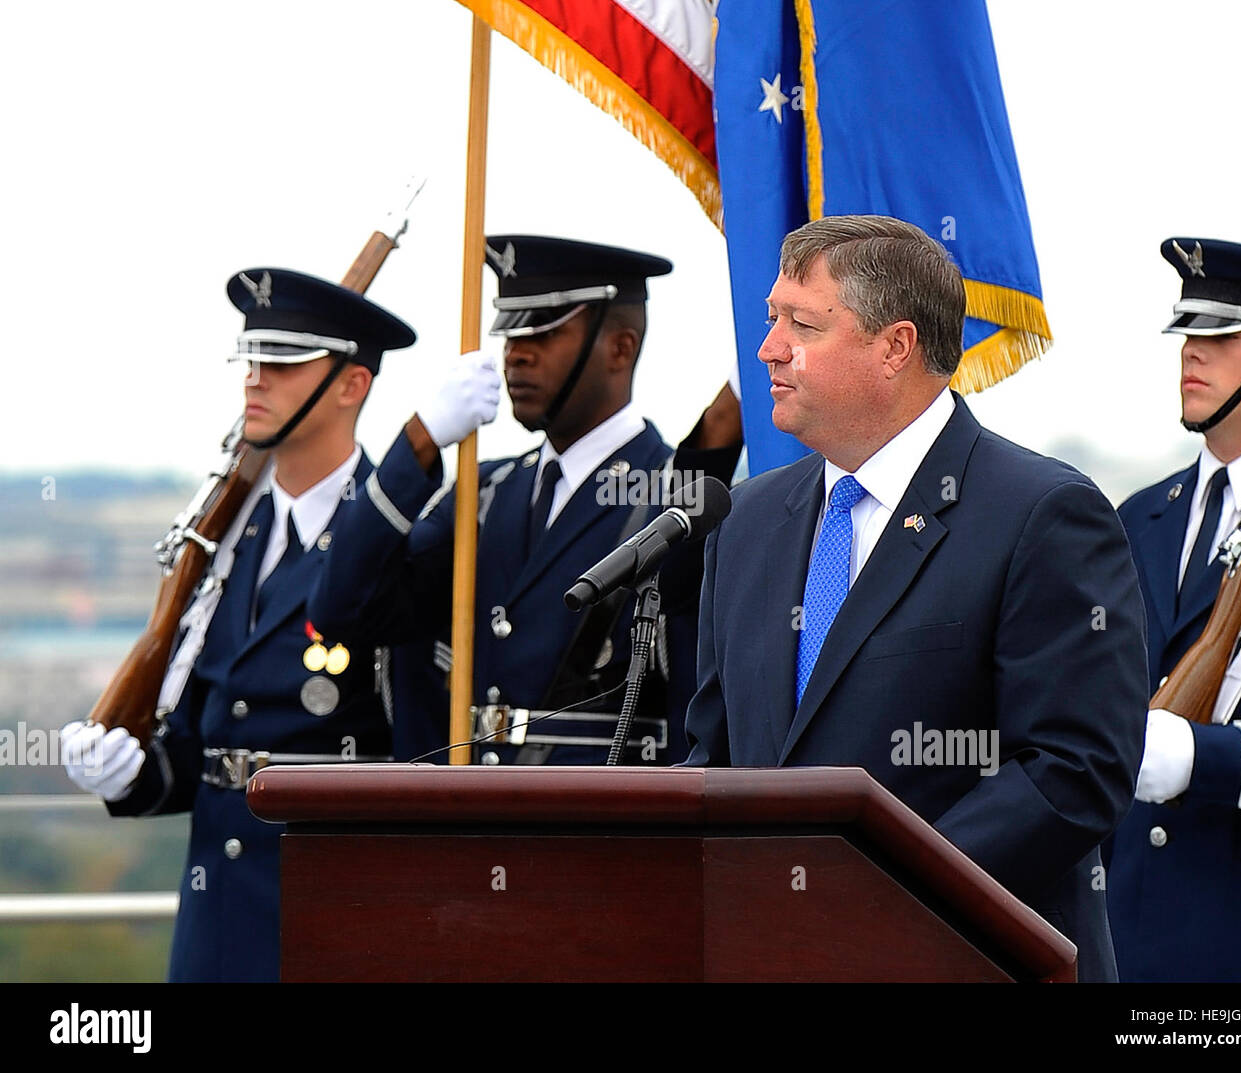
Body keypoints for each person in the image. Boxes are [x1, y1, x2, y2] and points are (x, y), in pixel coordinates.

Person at [683, 215, 1148, 983]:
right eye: (772, 319)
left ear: (895, 346)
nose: (768, 348)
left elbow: (1075, 769)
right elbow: (716, 759)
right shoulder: (747, 523)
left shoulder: (1043, 513)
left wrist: (877, 886)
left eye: (801, 323)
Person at [61, 268, 416, 982]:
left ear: (352, 385)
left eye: (283, 362)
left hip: (333, 919)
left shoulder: (398, 539)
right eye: (252, 360)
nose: (255, 379)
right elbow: (203, 739)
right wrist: (128, 772)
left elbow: (419, 746)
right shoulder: (223, 541)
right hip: (216, 924)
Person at [311, 235, 742, 766]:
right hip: (473, 828)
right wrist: (419, 442)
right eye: (511, 331)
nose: (516, 352)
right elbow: (343, 609)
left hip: (602, 831)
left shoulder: (672, 494)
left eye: (544, 332)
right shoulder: (487, 494)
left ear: (620, 348)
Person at [1106, 237, 1241, 982]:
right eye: (1189, 330)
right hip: (1125, 945)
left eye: (1224, 333)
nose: (1193, 351)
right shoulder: (1137, 519)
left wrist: (1210, 759)